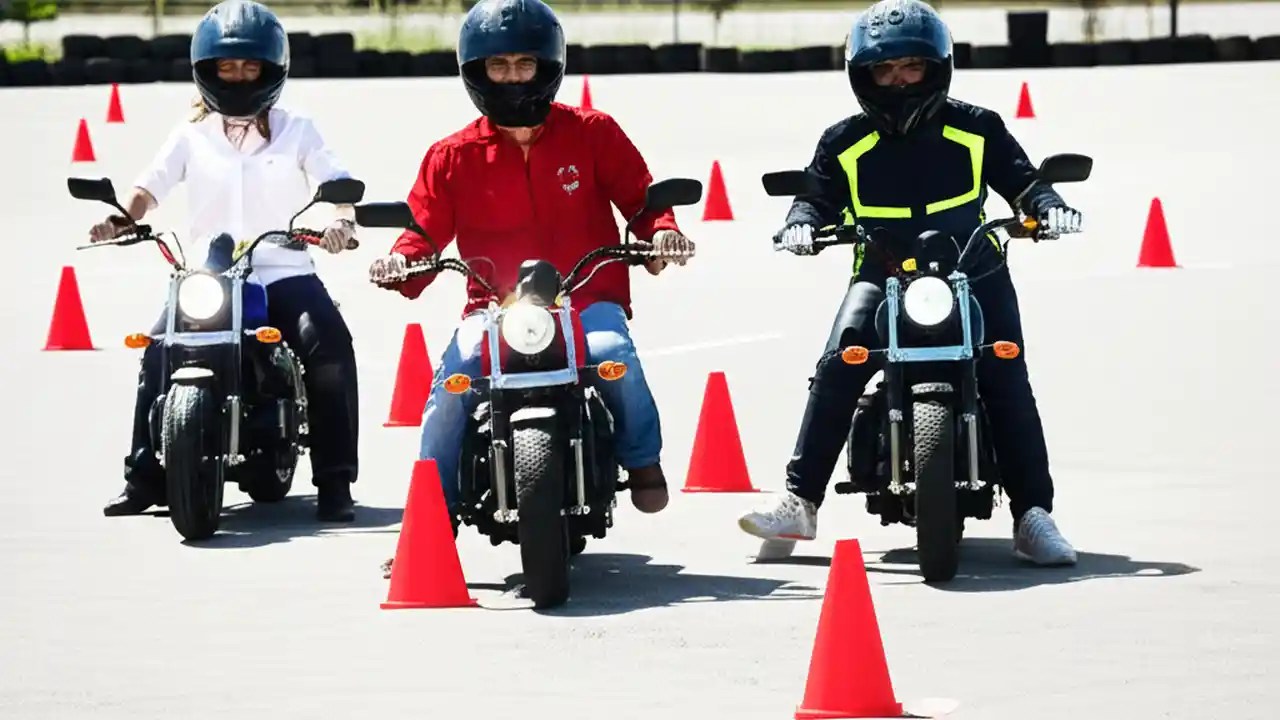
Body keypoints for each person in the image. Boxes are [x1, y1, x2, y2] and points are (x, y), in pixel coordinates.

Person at [737, 0, 1082, 566]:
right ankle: (800, 501)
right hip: (882, 271)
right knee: (840, 361)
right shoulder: (843, 140)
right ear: (862, 75)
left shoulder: (979, 128)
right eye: (884, 70)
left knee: (1006, 372)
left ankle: (1033, 516)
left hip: (975, 268)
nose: (897, 80)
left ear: (937, 68)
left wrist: (1049, 208)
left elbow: (1025, 184)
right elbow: (815, 198)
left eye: (911, 67)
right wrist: (800, 224)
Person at [368, 0, 694, 520]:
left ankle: (642, 460)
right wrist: (399, 263)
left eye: (525, 65)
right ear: (476, 72)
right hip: (493, 311)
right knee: (451, 386)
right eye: (498, 65)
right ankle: (429, 520)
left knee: (614, 355)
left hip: (586, 299)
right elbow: (422, 230)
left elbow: (642, 200)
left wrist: (663, 235)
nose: (513, 77)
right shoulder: (451, 155)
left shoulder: (593, 131)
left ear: (549, 67)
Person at [93, 0, 362, 523]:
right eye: (226, 66)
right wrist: (121, 218)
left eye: (250, 66)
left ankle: (335, 482)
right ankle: (145, 477)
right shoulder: (191, 134)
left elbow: (337, 187)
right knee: (155, 352)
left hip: (283, 271)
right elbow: (149, 187)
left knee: (329, 349)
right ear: (206, 70)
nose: (238, 75)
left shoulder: (297, 129)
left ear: (272, 69)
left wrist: (340, 223)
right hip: (209, 274)